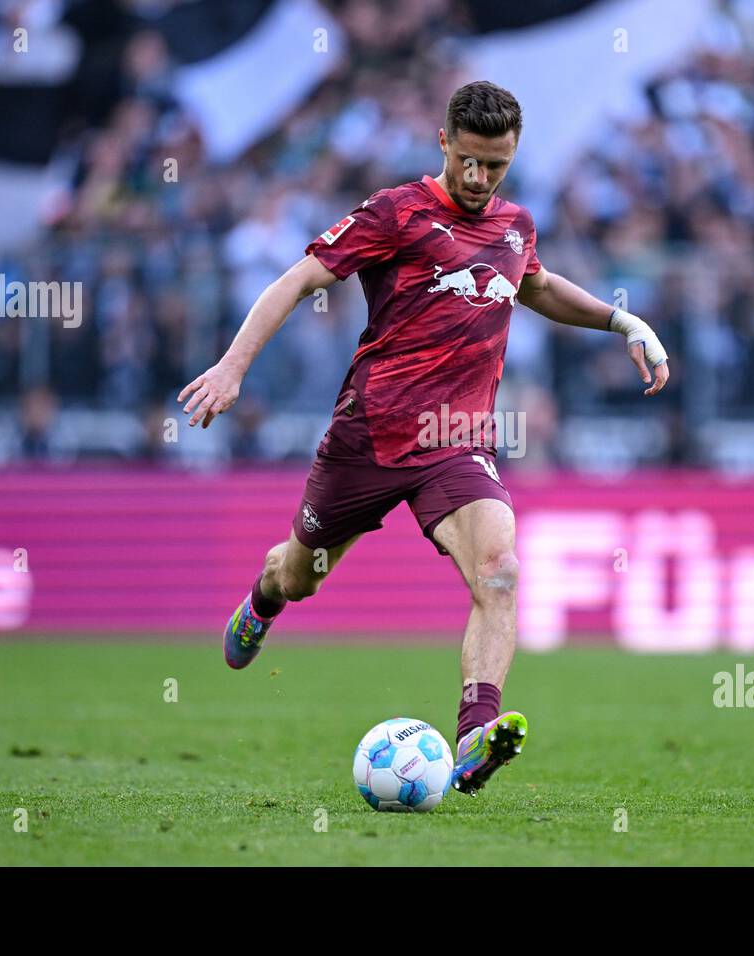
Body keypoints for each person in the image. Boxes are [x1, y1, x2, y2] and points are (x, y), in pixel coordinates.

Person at [178, 81, 669, 797]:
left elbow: (533, 286)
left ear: (512, 156)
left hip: (460, 440)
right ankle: (263, 598)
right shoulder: (396, 212)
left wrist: (624, 323)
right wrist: (232, 366)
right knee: (301, 577)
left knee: (499, 571)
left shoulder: (515, 226)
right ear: (444, 143)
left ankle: (473, 736)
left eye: (494, 166)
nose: (477, 179)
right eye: (467, 161)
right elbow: (298, 278)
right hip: (369, 437)